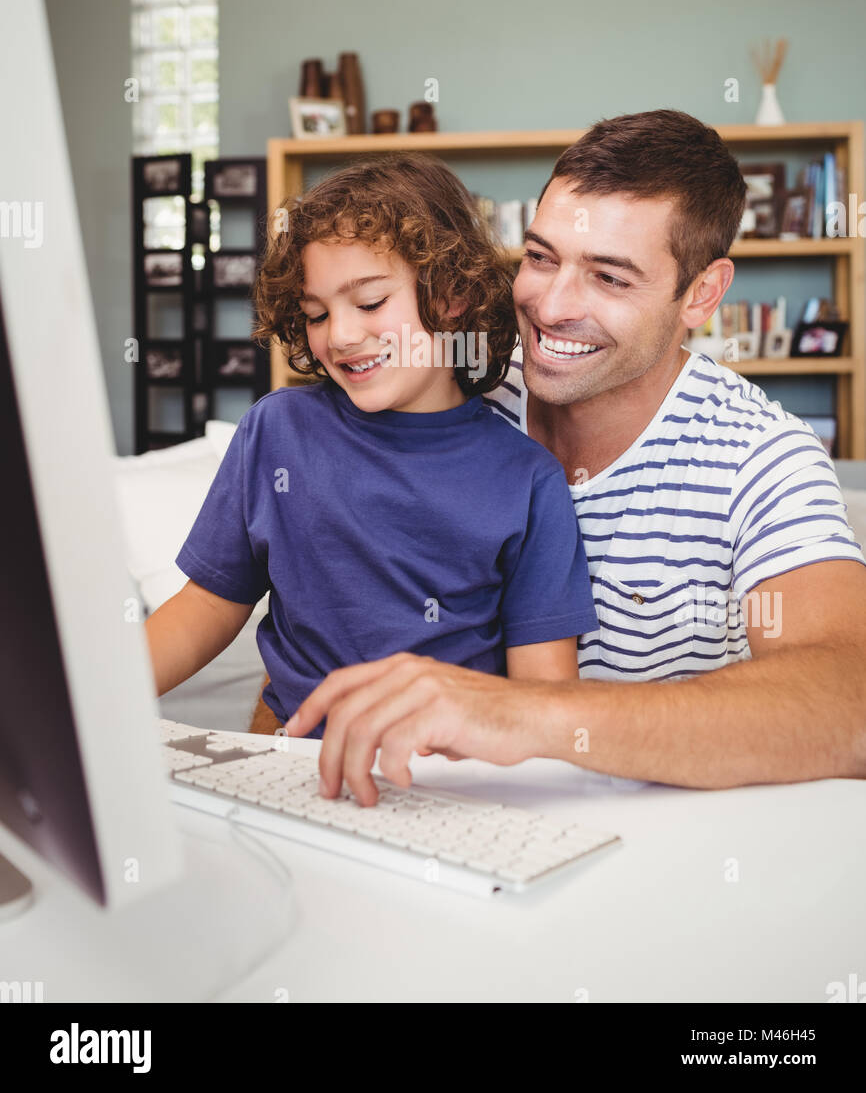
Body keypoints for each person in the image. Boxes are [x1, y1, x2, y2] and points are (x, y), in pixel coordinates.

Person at [279, 110, 866, 799]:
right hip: (436, 822)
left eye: (609, 278)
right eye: (540, 257)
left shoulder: (762, 458)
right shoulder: (441, 388)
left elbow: (847, 705)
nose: (551, 306)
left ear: (701, 294)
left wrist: (529, 715)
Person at [146, 154, 599, 736]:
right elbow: (206, 607)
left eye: (369, 303)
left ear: (451, 295)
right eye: (315, 313)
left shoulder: (528, 479)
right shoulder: (277, 430)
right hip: (292, 767)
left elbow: (543, 692)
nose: (340, 335)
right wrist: (88, 695)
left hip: (450, 780)